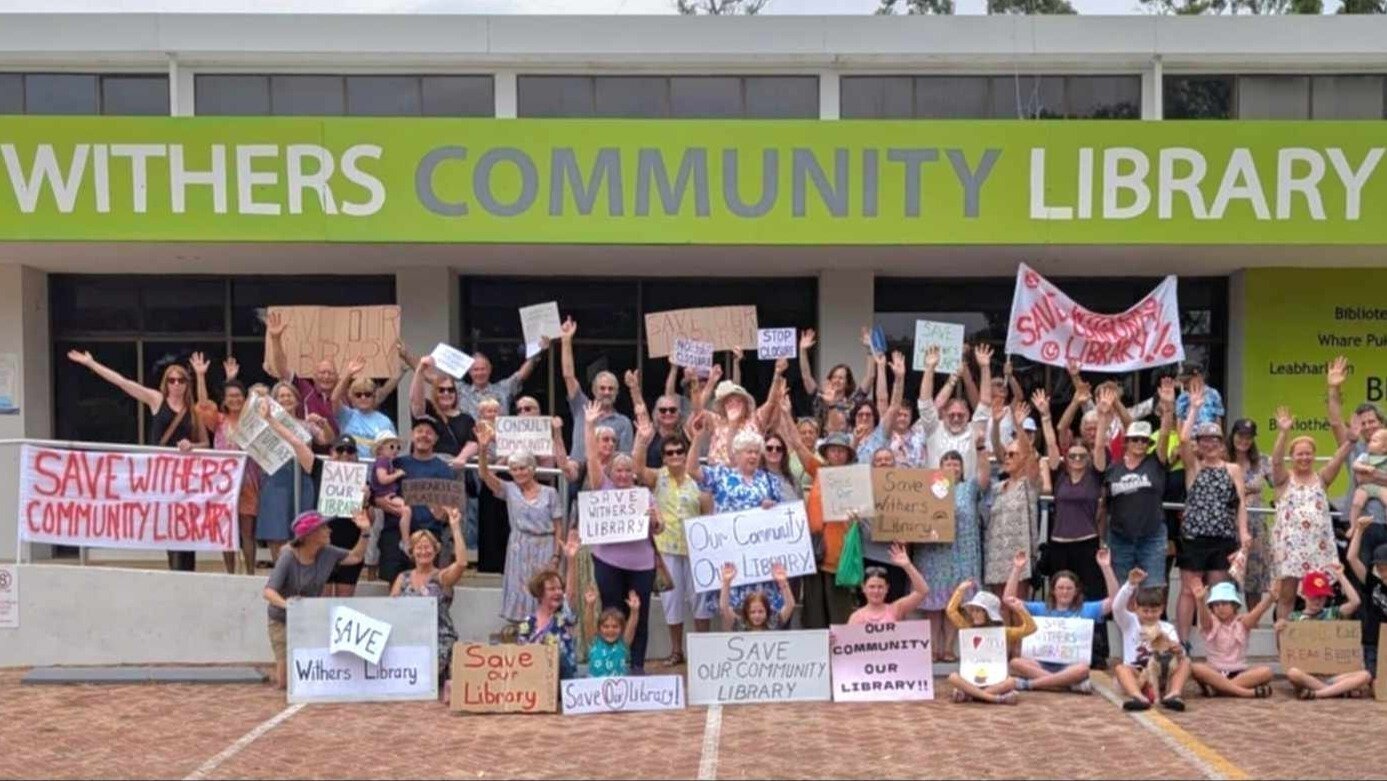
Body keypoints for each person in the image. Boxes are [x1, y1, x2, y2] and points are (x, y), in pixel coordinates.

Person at [67, 349, 209, 571]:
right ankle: (175, 569)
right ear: (166, 383)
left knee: (185, 525)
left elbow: (206, 444)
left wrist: (191, 446)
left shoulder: (193, 411)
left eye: (181, 380)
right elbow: (123, 383)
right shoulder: (156, 399)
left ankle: (187, 569)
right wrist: (91, 364)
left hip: (185, 476)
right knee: (167, 523)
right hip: (161, 475)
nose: (176, 384)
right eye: (172, 380)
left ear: (186, 384)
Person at [582, 401, 661, 675]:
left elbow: (659, 528)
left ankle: (636, 665)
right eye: (619, 470)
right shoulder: (600, 486)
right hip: (608, 561)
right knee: (611, 613)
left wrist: (654, 519)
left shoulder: (645, 495)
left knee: (640, 615)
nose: (624, 475)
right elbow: (592, 458)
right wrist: (589, 425)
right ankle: (611, 663)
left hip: (642, 565)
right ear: (611, 472)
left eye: (628, 471)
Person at [1033, 388, 1110, 666]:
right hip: (1059, 544)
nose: (1077, 459)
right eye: (1073, 456)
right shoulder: (1060, 475)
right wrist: (1044, 415)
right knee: (1059, 596)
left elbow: (1100, 446)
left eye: (1081, 456)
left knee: (1091, 596)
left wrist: (1101, 416)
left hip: (1087, 542)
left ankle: (1097, 651)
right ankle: (1055, 650)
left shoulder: (1095, 475)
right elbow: (1052, 445)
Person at [687, 412, 787, 620]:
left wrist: (772, 508)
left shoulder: (770, 480)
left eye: (756, 452)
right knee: (730, 611)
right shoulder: (722, 475)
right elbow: (692, 470)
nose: (752, 456)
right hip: (731, 559)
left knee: (761, 610)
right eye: (747, 452)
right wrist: (697, 439)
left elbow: (782, 518)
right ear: (737, 454)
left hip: (760, 562)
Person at [1174, 377, 1249, 644]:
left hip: (1223, 538)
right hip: (1194, 538)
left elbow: (1240, 502)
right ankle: (1183, 642)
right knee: (1188, 590)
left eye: (1213, 440)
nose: (1208, 445)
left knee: (1219, 591)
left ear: (1221, 443)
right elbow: (1183, 440)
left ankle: (1220, 642)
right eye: (1203, 440)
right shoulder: (1194, 466)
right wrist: (1193, 409)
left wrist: (1243, 533)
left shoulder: (1233, 470)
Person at [262, 509, 371, 689]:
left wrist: (365, 531)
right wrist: (288, 605)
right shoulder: (288, 557)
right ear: (310, 534)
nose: (330, 530)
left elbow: (356, 557)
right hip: (281, 619)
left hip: (308, 618)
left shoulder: (328, 552)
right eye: (324, 528)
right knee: (284, 682)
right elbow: (269, 592)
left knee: (309, 671)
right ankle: (275, 672)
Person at [1269, 405, 1353, 620]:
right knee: (1287, 597)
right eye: (1299, 454)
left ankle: (1314, 647)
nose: (1304, 457)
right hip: (1291, 550)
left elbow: (1337, 459)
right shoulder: (1283, 479)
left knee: (1318, 598)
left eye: (1308, 453)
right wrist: (1283, 433)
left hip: (1317, 547)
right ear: (1292, 456)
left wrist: (1351, 441)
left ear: (1314, 456)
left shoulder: (1321, 478)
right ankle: (1285, 649)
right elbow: (1276, 461)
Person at [475, 422, 564, 623]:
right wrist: (482, 449)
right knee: (519, 590)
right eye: (514, 469)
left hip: (545, 545)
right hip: (519, 545)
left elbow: (559, 527)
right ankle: (520, 633)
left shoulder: (550, 493)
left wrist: (557, 555)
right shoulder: (510, 489)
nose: (519, 473)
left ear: (532, 469)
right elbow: (484, 474)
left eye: (523, 468)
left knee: (545, 590)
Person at [632, 424, 705, 666]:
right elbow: (637, 469)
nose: (675, 456)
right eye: (669, 453)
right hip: (667, 547)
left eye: (678, 452)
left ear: (685, 454)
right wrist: (642, 441)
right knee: (672, 600)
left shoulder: (697, 478)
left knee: (700, 599)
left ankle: (703, 649)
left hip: (697, 547)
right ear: (663, 457)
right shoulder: (658, 477)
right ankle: (676, 651)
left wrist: (697, 437)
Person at [1005, 548, 1118, 693]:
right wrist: (1017, 569)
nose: (1064, 592)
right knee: (1015, 663)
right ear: (1053, 590)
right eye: (1060, 588)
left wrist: (1106, 567)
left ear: (1076, 591)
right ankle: (1066, 684)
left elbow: (1115, 600)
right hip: (1040, 663)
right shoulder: (1041, 608)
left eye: (1069, 588)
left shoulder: (1086, 609)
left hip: (1070, 665)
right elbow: (1009, 600)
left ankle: (1032, 684)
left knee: (1082, 669)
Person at [914, 444, 988, 664]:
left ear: (962, 468)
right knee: (934, 604)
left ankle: (948, 649)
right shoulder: (929, 488)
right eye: (948, 463)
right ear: (940, 467)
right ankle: (933, 648)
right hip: (934, 553)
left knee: (956, 602)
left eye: (956, 464)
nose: (953, 467)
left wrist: (982, 449)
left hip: (962, 554)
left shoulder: (970, 488)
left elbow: (984, 475)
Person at [1094, 383, 1174, 588]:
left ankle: (1149, 621)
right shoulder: (1113, 468)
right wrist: (1102, 417)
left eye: (1144, 441)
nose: (1140, 444)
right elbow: (1098, 453)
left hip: (1152, 535)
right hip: (1120, 537)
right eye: (1135, 439)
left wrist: (1168, 407)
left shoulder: (1155, 462)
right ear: (1126, 442)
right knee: (1123, 591)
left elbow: (1164, 434)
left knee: (1152, 589)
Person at [192, 352, 257, 574]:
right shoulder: (219, 420)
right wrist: (200, 376)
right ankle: (230, 573)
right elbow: (202, 405)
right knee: (226, 529)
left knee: (247, 531)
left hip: (249, 481)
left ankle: (250, 573)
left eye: (239, 395)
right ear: (224, 400)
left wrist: (232, 378)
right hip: (224, 483)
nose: (235, 399)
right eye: (230, 396)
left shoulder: (253, 421)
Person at [390, 507, 466, 695]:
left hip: (439, 638)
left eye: (428, 547)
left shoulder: (441, 577)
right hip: (409, 636)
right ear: (412, 551)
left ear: (435, 550)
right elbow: (389, 609)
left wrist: (455, 527)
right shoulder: (403, 578)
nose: (424, 551)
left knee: (422, 675)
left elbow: (462, 563)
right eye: (419, 547)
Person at [378, 416, 459, 585]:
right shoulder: (396, 463)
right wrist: (382, 502)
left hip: (429, 534)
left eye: (429, 433)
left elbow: (449, 512)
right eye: (419, 431)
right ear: (412, 435)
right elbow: (378, 494)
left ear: (436, 439)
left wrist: (441, 514)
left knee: (426, 587)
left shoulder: (444, 469)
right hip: (396, 534)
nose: (424, 436)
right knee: (395, 585)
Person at [1275, 566, 1374, 700]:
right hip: (1308, 676)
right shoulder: (1294, 618)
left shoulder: (1331, 613)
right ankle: (1338, 691)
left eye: (1322, 597)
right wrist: (1280, 627)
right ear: (1304, 595)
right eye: (1314, 596)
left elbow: (1355, 602)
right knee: (1293, 673)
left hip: (1332, 677)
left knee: (1365, 675)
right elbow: (1286, 649)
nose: (1318, 601)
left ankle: (1319, 693)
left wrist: (1340, 576)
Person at [255, 384, 319, 567]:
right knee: (276, 530)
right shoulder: (263, 424)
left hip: (302, 481)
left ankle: (301, 574)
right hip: (275, 481)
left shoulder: (307, 424)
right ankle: (280, 572)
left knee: (303, 532)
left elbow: (326, 439)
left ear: (297, 399)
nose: (285, 399)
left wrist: (323, 423)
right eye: (281, 396)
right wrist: (258, 399)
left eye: (289, 395)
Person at [1111, 567, 1191, 712]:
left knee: (1186, 661)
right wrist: (1130, 584)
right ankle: (1137, 697)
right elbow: (1117, 607)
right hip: (1137, 672)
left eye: (1154, 611)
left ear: (1162, 609)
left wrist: (1178, 650)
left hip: (1162, 673)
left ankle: (1174, 694)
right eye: (1145, 611)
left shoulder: (1167, 627)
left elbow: (1178, 653)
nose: (1149, 615)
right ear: (1136, 607)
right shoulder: (1129, 622)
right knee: (1120, 668)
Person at [944, 583, 1036, 705]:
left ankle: (970, 695)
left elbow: (1031, 628)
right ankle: (995, 698)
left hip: (995, 679)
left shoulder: (1002, 632)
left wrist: (1021, 610)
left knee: (1011, 682)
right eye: (973, 610)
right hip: (971, 677)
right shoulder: (967, 628)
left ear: (988, 614)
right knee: (953, 677)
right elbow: (951, 611)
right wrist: (960, 590)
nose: (974, 614)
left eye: (979, 611)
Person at [983, 401, 1041, 595]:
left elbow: (1029, 454)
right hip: (996, 554)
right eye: (1006, 455)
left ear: (1022, 458)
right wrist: (997, 425)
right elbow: (997, 449)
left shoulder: (1029, 483)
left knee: (1016, 608)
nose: (1007, 458)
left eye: (1012, 455)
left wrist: (1018, 425)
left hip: (1019, 556)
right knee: (998, 610)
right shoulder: (998, 487)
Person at [560, 317, 633, 461]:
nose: (606, 392)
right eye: (602, 388)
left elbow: (624, 458)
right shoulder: (582, 406)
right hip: (578, 476)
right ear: (594, 391)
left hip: (607, 479)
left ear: (616, 393)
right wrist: (566, 340)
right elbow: (568, 376)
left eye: (611, 389)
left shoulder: (623, 422)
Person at [918, 344, 994, 480]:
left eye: (961, 415)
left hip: (965, 496)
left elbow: (985, 403)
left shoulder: (973, 431)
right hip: (935, 495)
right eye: (951, 415)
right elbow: (925, 403)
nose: (956, 418)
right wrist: (929, 368)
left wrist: (985, 368)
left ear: (968, 416)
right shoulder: (934, 429)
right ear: (944, 414)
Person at [1189, 581, 1276, 699]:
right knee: (1195, 668)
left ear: (1234, 605)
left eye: (1224, 603)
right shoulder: (1211, 623)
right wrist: (1200, 601)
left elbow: (1257, 612)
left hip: (1238, 673)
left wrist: (1269, 599)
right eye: (1216, 604)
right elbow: (1204, 619)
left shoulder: (1242, 623)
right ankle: (1246, 693)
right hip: (1214, 673)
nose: (1220, 608)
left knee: (1267, 672)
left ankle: (1219, 690)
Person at [516, 534, 581, 680]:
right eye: (552, 589)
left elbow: (570, 594)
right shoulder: (527, 623)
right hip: (537, 680)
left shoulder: (562, 615)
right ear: (540, 594)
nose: (558, 592)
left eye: (559, 588)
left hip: (563, 678)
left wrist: (571, 560)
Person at [1228, 418, 1273, 599]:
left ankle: (1252, 624)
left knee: (1253, 579)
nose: (1244, 440)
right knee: (1227, 577)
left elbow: (1278, 484)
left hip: (1255, 526)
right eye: (1240, 435)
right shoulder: (1222, 458)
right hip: (1228, 524)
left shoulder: (1262, 460)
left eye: (1249, 437)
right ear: (1233, 435)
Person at [697, 363, 774, 467]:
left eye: (738, 401)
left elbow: (771, 402)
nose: (734, 405)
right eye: (729, 402)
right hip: (719, 474)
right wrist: (711, 382)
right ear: (723, 407)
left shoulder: (754, 419)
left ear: (746, 406)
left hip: (749, 473)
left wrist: (777, 374)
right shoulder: (717, 421)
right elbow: (697, 409)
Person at [320, 434, 369, 597]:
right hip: (322, 548)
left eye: (350, 450)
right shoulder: (319, 475)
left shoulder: (364, 483)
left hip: (351, 546)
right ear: (331, 453)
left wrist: (366, 501)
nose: (345, 454)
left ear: (356, 455)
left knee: (344, 605)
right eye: (339, 450)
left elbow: (372, 519)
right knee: (322, 605)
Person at [798, 327, 875, 428]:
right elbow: (806, 377)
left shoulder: (853, 402)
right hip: (824, 442)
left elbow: (870, 377)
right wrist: (802, 351)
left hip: (848, 442)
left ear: (847, 383)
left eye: (841, 378)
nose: (836, 380)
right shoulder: (820, 399)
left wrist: (870, 349)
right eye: (834, 377)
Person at [1345, 515, 1387, 689]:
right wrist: (1359, 530)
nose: (1383, 572)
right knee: (1373, 679)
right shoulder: (1373, 583)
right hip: (1372, 643)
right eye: (1380, 568)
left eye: (1386, 568)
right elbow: (1352, 558)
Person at [332, 355, 399, 460]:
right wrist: (348, 374)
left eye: (367, 394)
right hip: (350, 468)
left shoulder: (385, 421)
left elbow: (393, 449)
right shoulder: (347, 415)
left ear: (374, 396)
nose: (363, 397)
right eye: (358, 394)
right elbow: (334, 399)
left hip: (375, 471)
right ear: (352, 397)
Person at [457, 345, 545, 420]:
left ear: (489, 370)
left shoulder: (503, 389)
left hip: (501, 438)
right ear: (469, 372)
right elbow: (445, 379)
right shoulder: (461, 391)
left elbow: (520, 376)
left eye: (483, 369)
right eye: (475, 369)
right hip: (472, 439)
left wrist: (537, 350)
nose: (480, 373)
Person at [848, 543, 928, 625]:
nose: (876, 591)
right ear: (864, 588)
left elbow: (922, 591)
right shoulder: (856, 617)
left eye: (880, 587)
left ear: (887, 588)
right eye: (872, 587)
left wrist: (908, 566)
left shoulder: (895, 610)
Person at [582, 586, 641, 678]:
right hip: (595, 689)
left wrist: (634, 611)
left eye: (615, 626)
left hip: (618, 689)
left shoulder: (623, 644)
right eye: (606, 626)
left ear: (622, 629)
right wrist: (590, 605)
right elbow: (588, 624)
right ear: (599, 628)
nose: (610, 630)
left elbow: (632, 627)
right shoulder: (595, 642)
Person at [719, 562, 796, 631]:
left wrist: (783, 582)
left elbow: (790, 605)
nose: (757, 616)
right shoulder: (741, 625)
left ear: (767, 611)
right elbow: (724, 608)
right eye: (752, 612)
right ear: (746, 612)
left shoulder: (773, 623)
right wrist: (726, 582)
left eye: (761, 611)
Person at [368, 431, 411, 533]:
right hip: (384, 495)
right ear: (380, 449)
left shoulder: (387, 462)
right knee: (406, 510)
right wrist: (398, 474)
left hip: (387, 495)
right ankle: (405, 541)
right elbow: (382, 479)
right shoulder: (382, 461)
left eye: (398, 447)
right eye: (392, 447)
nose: (395, 450)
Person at [1350, 429, 1387, 524]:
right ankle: (1353, 525)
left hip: (1381, 488)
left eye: (1375, 441)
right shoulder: (1365, 456)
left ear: (1384, 448)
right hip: (1365, 487)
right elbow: (1355, 465)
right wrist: (1365, 468)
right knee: (1357, 503)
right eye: (1370, 441)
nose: (1370, 443)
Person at [1175, 362, 1224, 427]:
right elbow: (1180, 425)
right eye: (1183, 383)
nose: (1184, 386)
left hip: (1209, 435)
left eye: (1187, 381)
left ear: (1198, 376)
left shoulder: (1213, 394)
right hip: (1189, 435)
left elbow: (1218, 422)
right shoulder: (1182, 398)